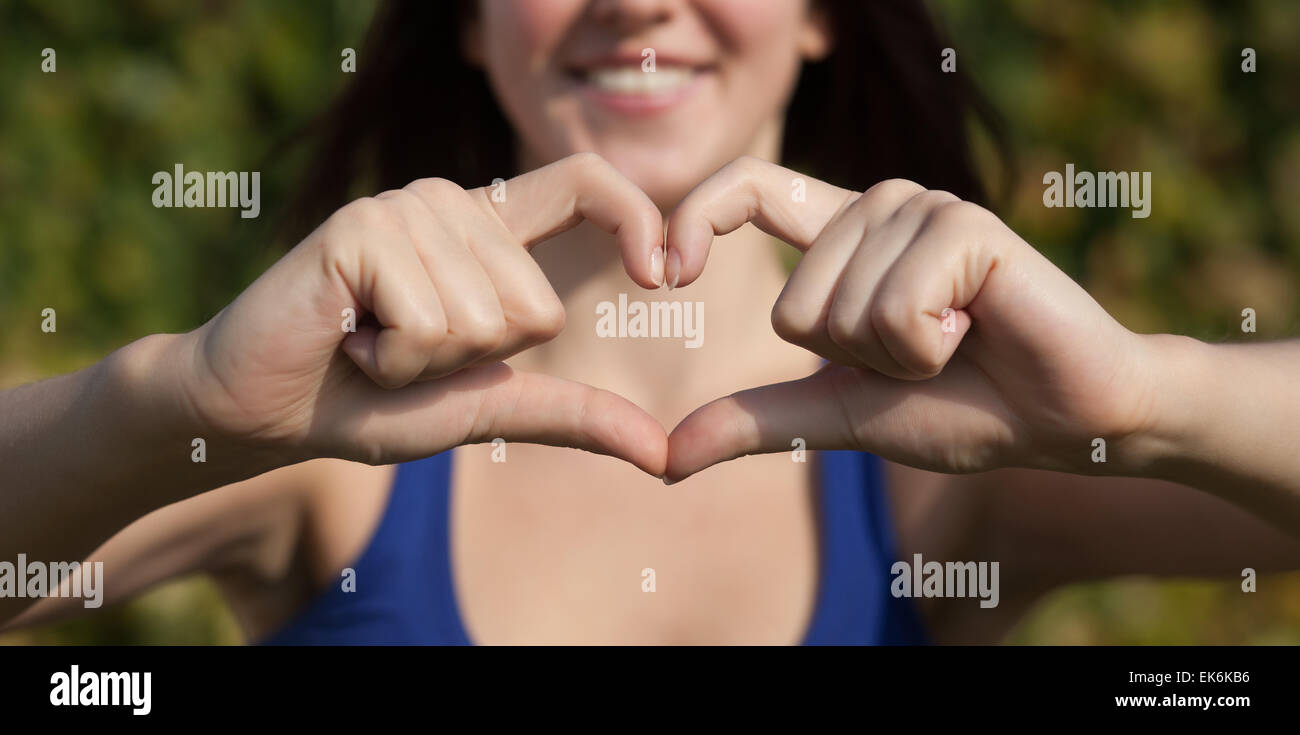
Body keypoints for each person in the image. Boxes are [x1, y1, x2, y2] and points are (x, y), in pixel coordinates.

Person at [2, 0, 1297, 645]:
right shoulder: (335, 445)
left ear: (821, 16)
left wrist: (1149, 398)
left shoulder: (939, 471)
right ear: (467, 19)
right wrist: (170, 406)